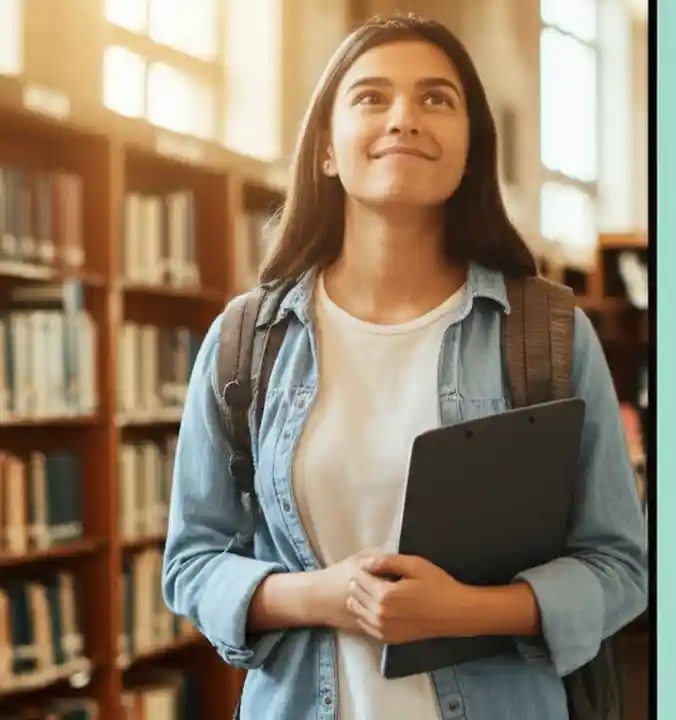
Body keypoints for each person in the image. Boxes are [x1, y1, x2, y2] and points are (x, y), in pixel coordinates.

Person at [161, 13, 648, 720]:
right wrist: (324, 594)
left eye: (436, 99)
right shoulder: (246, 341)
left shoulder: (550, 334)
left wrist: (468, 609)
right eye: (371, 97)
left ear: (471, 148)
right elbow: (192, 562)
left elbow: (619, 565)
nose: (404, 119)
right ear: (327, 149)